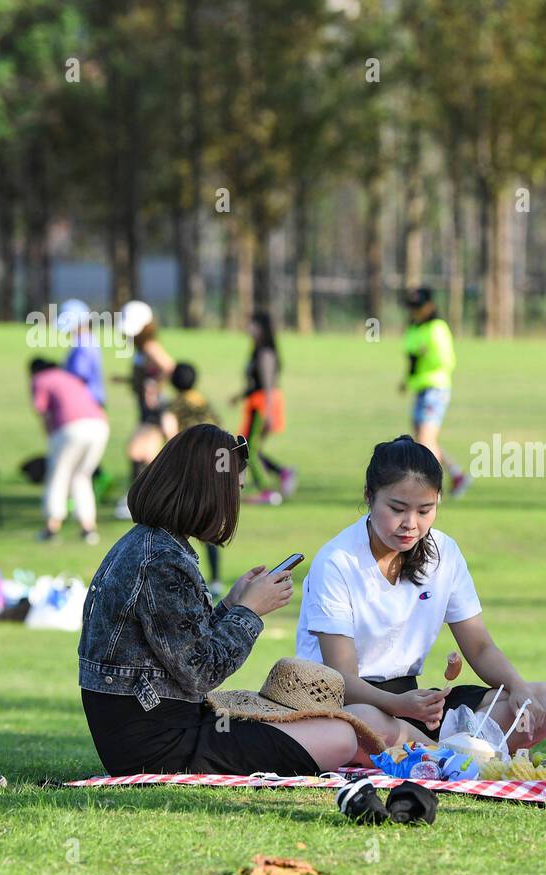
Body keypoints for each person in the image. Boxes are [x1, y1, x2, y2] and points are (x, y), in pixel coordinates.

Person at [79, 424, 374, 776]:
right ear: (208, 489)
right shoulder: (162, 560)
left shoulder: (149, 544)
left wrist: (230, 607)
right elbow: (201, 673)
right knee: (340, 737)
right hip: (162, 746)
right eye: (235, 489)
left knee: (343, 727)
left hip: (158, 731)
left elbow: (179, 650)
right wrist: (249, 612)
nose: (236, 501)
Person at [295, 435, 546, 760]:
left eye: (425, 510)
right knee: (360, 724)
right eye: (396, 509)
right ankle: (447, 755)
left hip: (415, 703)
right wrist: (399, 705)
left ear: (438, 501)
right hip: (350, 702)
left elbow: (479, 647)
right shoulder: (337, 561)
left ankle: (433, 753)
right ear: (369, 497)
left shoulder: (444, 553)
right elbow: (342, 680)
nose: (410, 524)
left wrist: (517, 686)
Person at [29, 359, 110, 544]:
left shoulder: (39, 379)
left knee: (58, 475)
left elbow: (42, 411)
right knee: (81, 476)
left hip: (70, 428)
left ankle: (52, 526)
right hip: (99, 426)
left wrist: (50, 437)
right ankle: (88, 528)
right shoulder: (69, 377)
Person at [162, 362, 225, 592]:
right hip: (215, 465)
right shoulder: (202, 400)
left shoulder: (174, 405)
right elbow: (220, 429)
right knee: (210, 525)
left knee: (182, 522)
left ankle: (183, 578)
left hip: (191, 467)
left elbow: (169, 434)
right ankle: (216, 579)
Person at [401, 286, 468, 498]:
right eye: (413, 307)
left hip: (435, 388)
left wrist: (427, 353)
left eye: (419, 307)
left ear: (430, 306)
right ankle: (457, 474)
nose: (415, 311)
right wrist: (407, 381)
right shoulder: (414, 328)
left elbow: (447, 361)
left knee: (424, 441)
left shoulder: (437, 328)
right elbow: (412, 360)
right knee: (425, 440)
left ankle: (431, 490)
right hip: (420, 388)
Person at [112, 300, 174, 520]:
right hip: (147, 410)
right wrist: (128, 380)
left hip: (155, 410)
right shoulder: (141, 347)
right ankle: (156, 502)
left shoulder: (150, 346)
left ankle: (137, 502)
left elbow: (168, 367)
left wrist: (154, 387)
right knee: (151, 457)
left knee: (136, 451)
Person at [232, 310, 294, 504]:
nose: (248, 328)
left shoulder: (265, 352)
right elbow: (255, 383)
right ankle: (282, 472)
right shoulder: (256, 349)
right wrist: (239, 396)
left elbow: (268, 385)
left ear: (261, 328)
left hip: (262, 404)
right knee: (252, 447)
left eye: (252, 324)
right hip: (257, 402)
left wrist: (268, 411)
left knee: (248, 447)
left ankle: (266, 490)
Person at [60, 299, 106, 407]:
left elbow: (79, 376)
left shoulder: (83, 345)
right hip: (91, 402)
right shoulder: (87, 340)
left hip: (87, 403)